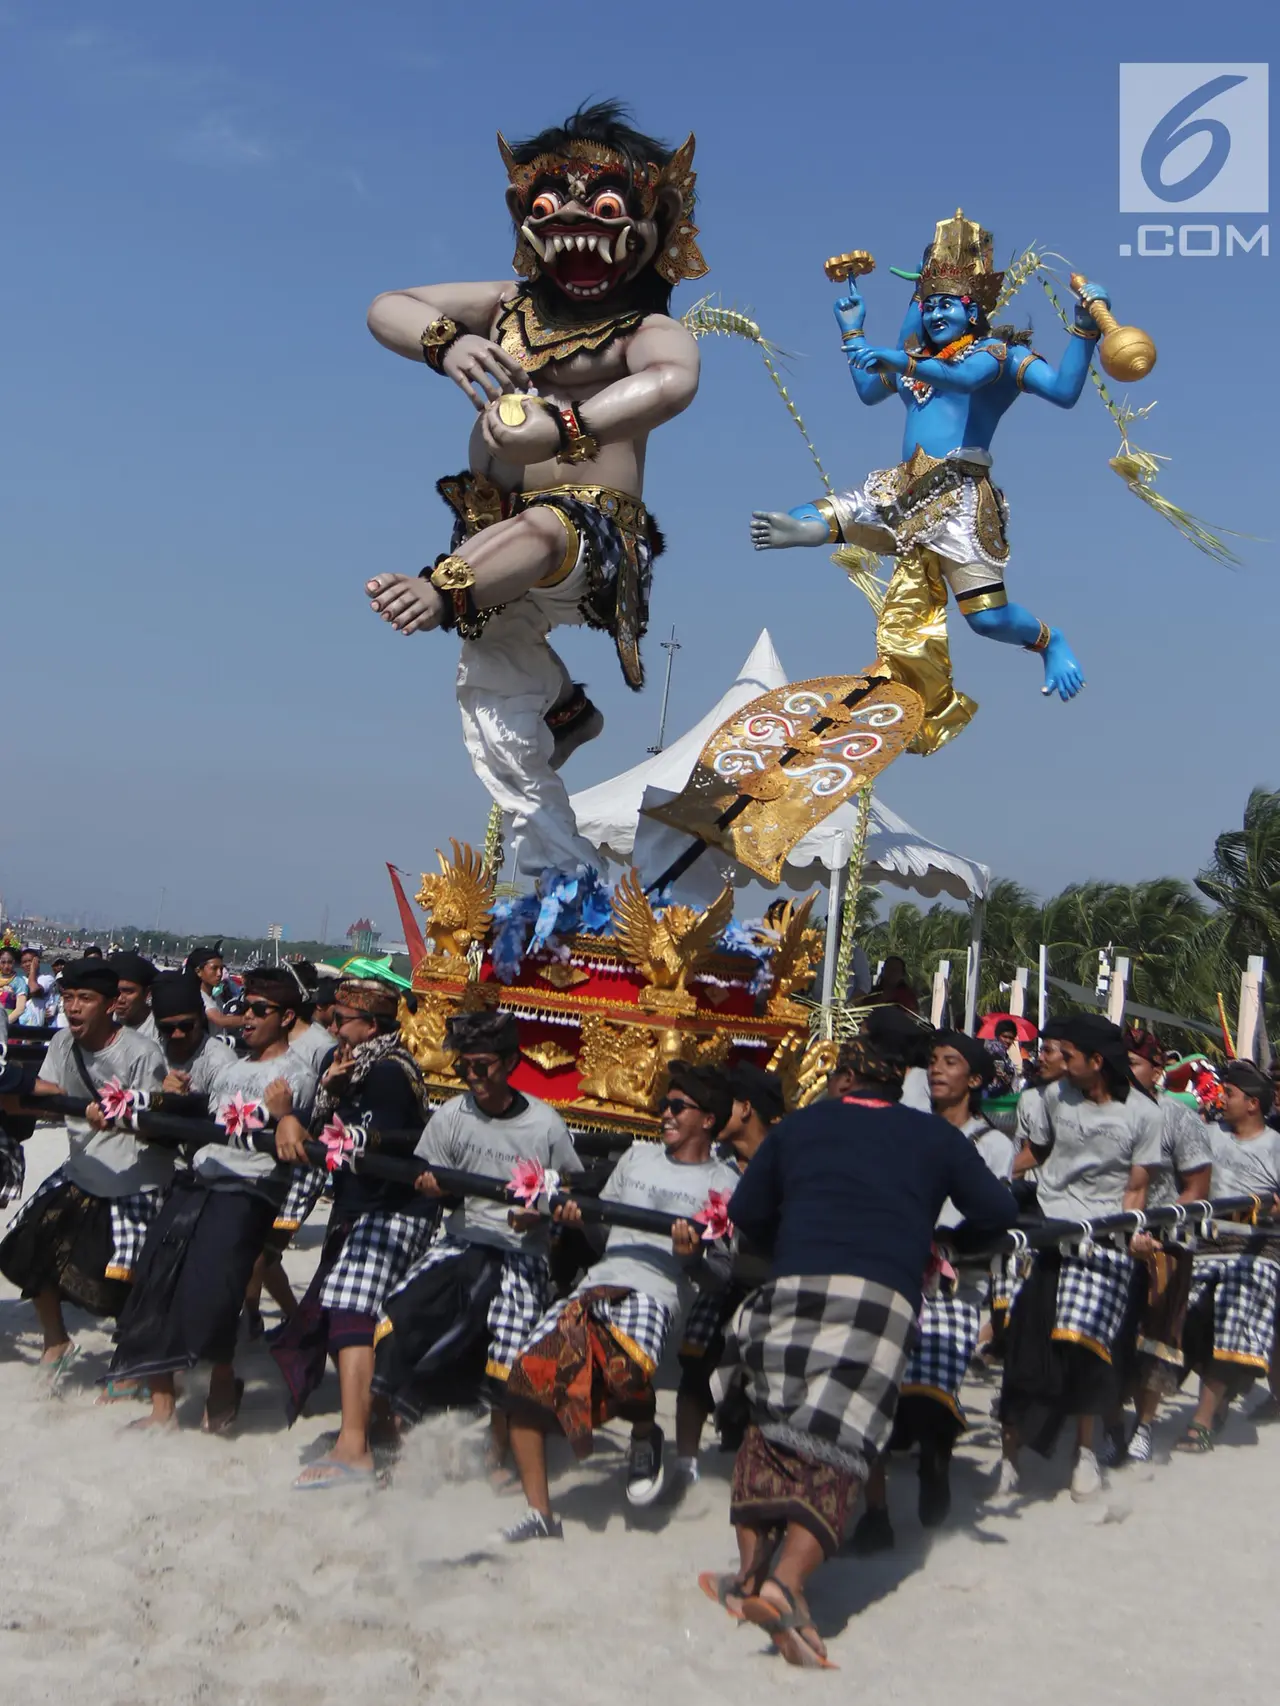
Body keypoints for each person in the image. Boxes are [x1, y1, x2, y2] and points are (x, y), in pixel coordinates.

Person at [363, 100, 705, 876]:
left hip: (589, 532)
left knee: (547, 529)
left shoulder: (638, 329)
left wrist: (569, 428)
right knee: (491, 697)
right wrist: (446, 347)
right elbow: (388, 305)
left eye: (606, 207)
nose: (572, 222)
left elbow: (674, 377)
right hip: (491, 529)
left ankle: (438, 589)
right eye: (549, 207)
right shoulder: (503, 307)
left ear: (653, 229)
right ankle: (564, 724)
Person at [700, 1029, 1017, 1668]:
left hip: (791, 1288)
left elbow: (748, 1211)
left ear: (845, 1080)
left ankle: (748, 1574)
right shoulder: (937, 1138)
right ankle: (786, 1586)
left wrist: (798, 1227)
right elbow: (996, 1210)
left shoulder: (798, 1129)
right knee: (839, 1445)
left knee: (773, 1429)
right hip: (877, 1300)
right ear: (898, 1083)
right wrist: (935, 1230)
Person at [751, 210, 1106, 750]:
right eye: (928, 303)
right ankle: (807, 532)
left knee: (986, 620)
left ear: (973, 310)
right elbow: (872, 390)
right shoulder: (918, 359)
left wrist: (1083, 331)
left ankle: (1049, 640)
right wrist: (853, 331)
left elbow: (1056, 389)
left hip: (962, 497)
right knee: (821, 513)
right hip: (905, 489)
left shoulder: (995, 354)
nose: (935, 313)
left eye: (946, 304)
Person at [502, 1062, 739, 1539]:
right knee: (525, 1383)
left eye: (677, 1107)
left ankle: (645, 1430)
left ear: (708, 1119)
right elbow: (602, 1236)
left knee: (622, 1373)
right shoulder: (636, 1157)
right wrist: (577, 1221)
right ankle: (540, 1514)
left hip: (656, 1291)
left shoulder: (726, 1183)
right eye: (663, 1106)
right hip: (599, 1280)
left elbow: (721, 1275)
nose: (665, 1115)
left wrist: (690, 1259)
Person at [105, 966, 317, 1432]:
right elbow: (204, 1112)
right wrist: (168, 1098)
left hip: (248, 1188)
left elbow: (297, 1128)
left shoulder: (294, 1075)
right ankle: (163, 1406)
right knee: (157, 1277)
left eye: (260, 1011)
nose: (247, 1018)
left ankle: (224, 1377)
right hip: (200, 1176)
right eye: (245, 1008)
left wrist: (285, 1117)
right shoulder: (233, 1067)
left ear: (285, 1017)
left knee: (214, 1290)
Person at [372, 1010, 582, 1477]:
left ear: (509, 1063)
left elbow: (571, 1189)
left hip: (520, 1250)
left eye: (482, 1065)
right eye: (464, 1065)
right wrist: (436, 1188)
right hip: (463, 1239)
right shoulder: (450, 1115)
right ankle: (395, 1432)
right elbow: (432, 1174)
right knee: (398, 1314)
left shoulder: (544, 1125)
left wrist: (545, 1213)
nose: (472, 1076)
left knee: (510, 1340)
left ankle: (497, 1450)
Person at [270, 976, 433, 1486]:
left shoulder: (387, 1072)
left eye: (341, 1020)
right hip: (356, 1207)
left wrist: (312, 1112)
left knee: (349, 1312)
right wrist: (313, 1102)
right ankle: (377, 1426)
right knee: (344, 1316)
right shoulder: (345, 1066)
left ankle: (354, 1445)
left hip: (392, 1210)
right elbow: (324, 1127)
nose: (331, 1026)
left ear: (373, 1025)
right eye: (331, 1018)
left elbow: (367, 1142)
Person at [855, 1030, 1014, 1550]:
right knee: (873, 1388)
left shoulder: (993, 1145)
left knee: (931, 1388)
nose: (937, 1071)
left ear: (975, 1078)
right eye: (932, 1062)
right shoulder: (908, 1132)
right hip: (897, 1270)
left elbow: (989, 1216)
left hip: (955, 1282)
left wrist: (949, 1243)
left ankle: (936, 1461)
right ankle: (875, 1514)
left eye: (950, 1062)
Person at [997, 1015, 1163, 1501]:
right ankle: (1009, 1459)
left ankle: (1085, 1454)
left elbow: (1136, 1188)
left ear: (1097, 1061)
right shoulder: (1051, 1097)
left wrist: (1132, 1233)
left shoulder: (1144, 1116)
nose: (1057, 1062)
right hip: (1048, 1228)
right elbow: (1038, 1150)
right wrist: (992, 1168)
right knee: (1025, 1344)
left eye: (1067, 1054)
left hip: (1104, 1238)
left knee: (1088, 1348)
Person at [0, 959, 168, 1386]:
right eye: (69, 998)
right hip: (82, 1166)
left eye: (85, 999)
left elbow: (153, 1121)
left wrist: (117, 1116)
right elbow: (49, 1094)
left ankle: (133, 1365)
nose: (73, 1007)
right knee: (26, 1247)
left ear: (111, 1004)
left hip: (133, 1176)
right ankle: (56, 1341)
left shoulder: (140, 1053)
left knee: (122, 1282)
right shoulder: (60, 1042)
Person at [676, 1063, 785, 1476]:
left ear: (744, 1108)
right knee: (696, 1364)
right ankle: (685, 1464)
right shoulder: (713, 1160)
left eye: (723, 1103)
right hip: (722, 1281)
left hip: (775, 1287)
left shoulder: (787, 1158)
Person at [1119, 1028, 1213, 1464]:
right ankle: (1107, 1422)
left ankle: (1144, 1425)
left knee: (1156, 1335)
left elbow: (1197, 1186)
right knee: (1111, 1332)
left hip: (1166, 1243)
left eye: (1134, 1063)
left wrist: (1155, 1231)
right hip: (1112, 1237)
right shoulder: (1108, 1113)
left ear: (1157, 1071)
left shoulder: (1179, 1118)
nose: (1125, 1071)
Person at [1176, 1060, 1280, 1453]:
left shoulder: (1276, 1146)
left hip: (1258, 1250)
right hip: (1205, 1243)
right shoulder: (1207, 1135)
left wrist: (1267, 1210)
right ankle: (1217, 1398)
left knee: (1231, 1325)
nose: (1221, 1098)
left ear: (1252, 1103)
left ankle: (1202, 1419)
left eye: (1230, 1093)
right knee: (1188, 1326)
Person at [150, 972, 229, 1097]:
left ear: (202, 1017)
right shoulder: (148, 1053)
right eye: (167, 1028)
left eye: (186, 1026)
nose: (177, 1034)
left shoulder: (221, 1063)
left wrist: (186, 1103)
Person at [185, 942, 244, 1036]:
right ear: (198, 971)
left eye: (221, 969)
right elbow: (220, 1020)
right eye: (214, 968)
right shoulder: (198, 996)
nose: (219, 974)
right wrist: (251, 1019)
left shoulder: (214, 997)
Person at [109, 950, 159, 1041]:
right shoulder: (106, 1021)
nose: (120, 999)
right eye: (116, 991)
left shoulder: (157, 1032)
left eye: (128, 992)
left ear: (147, 993)